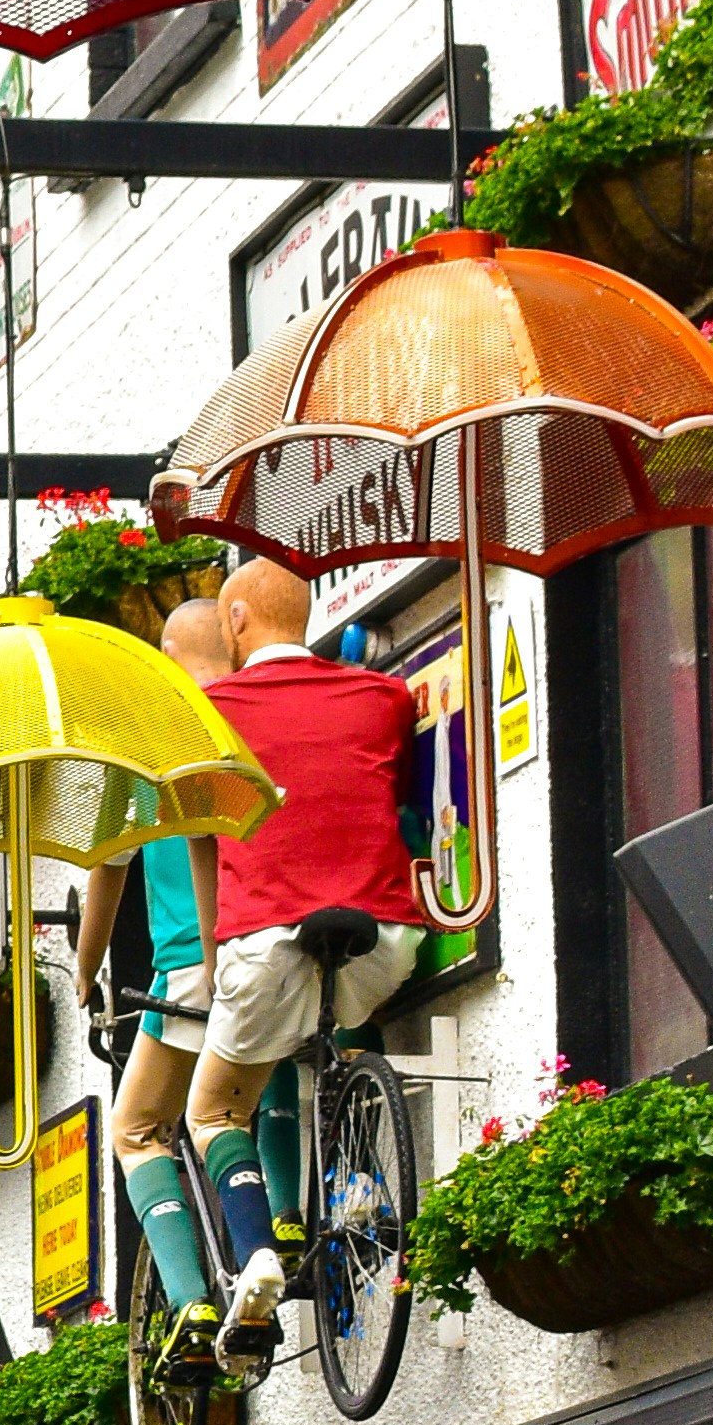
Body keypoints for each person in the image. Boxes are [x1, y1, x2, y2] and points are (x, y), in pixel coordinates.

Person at [183, 552, 431, 1357]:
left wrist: (218, 947)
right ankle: (356, 1182)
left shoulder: (212, 712)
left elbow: (204, 841)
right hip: (385, 935)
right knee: (338, 1024)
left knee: (215, 1108)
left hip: (265, 937)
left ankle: (256, 1250)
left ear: (238, 621)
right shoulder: (383, 696)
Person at [76, 594, 234, 1330]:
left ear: (170, 663)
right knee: (254, 1094)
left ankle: (191, 1300)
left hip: (190, 970)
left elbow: (108, 870)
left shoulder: (155, 748)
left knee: (137, 1129)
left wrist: (86, 969)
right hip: (289, 948)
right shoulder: (253, 719)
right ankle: (285, 1228)